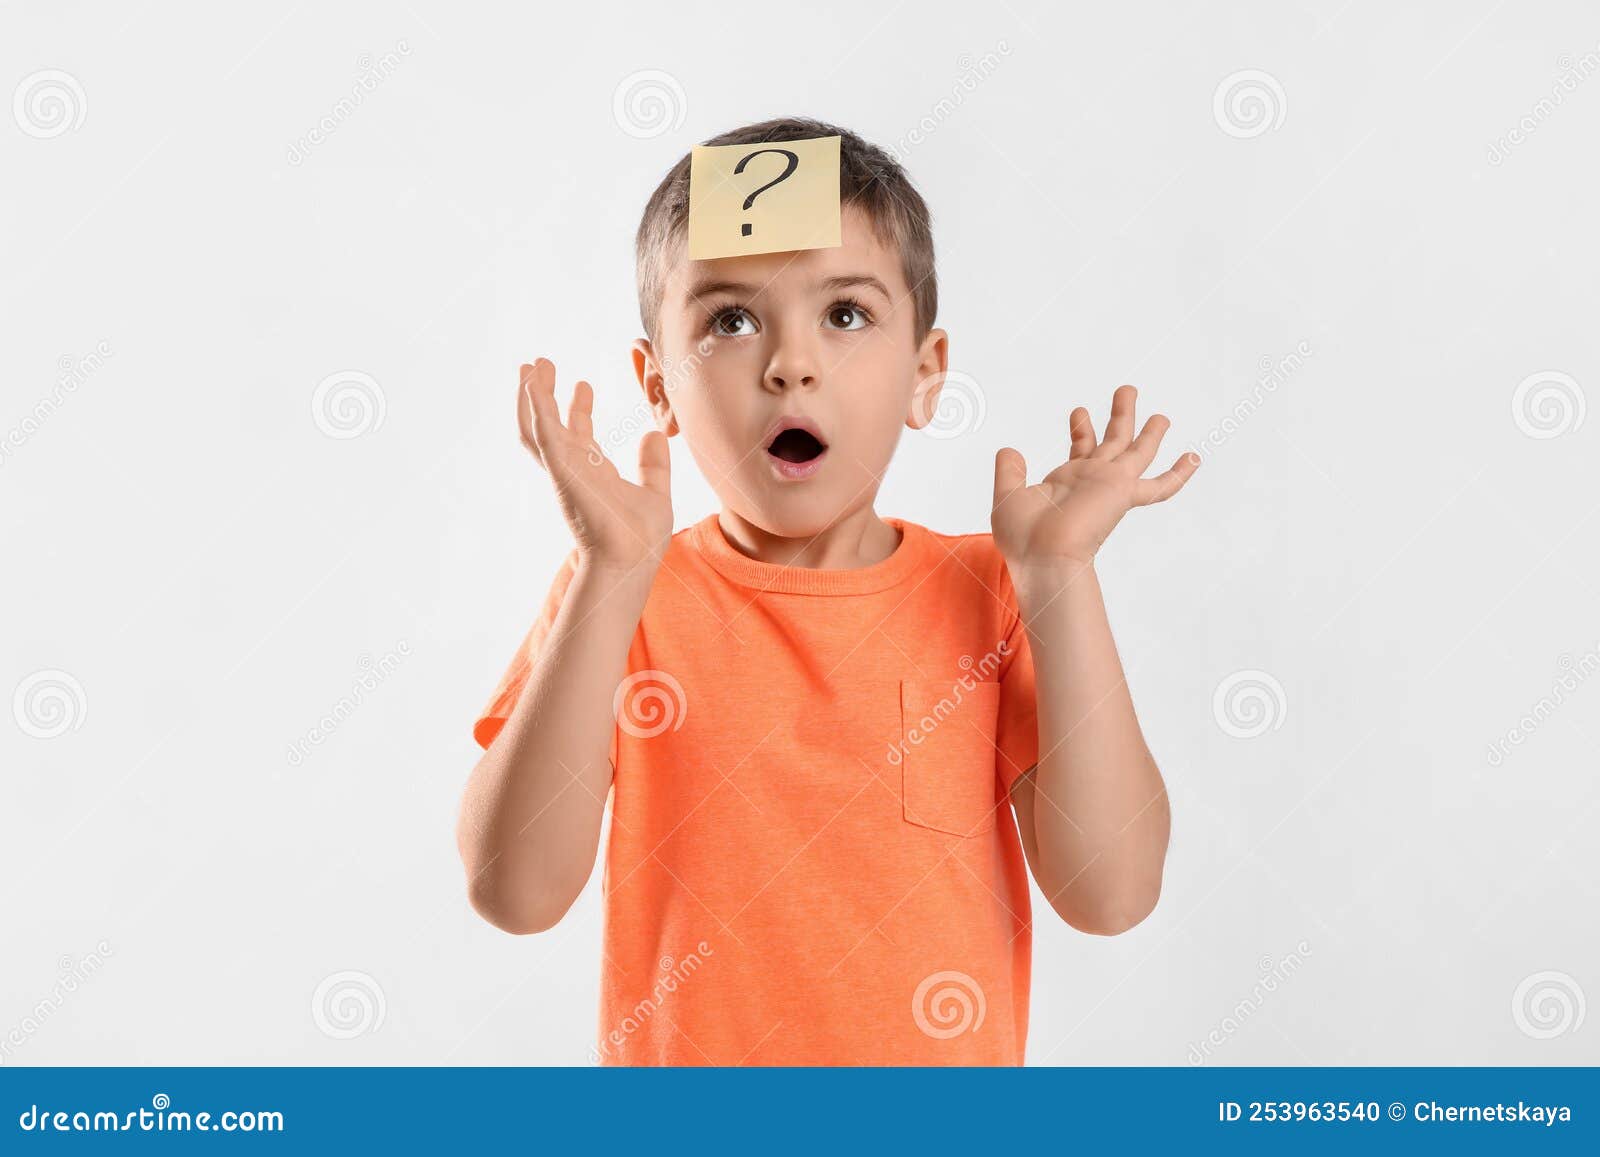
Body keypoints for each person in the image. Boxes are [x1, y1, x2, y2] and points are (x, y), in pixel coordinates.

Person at [455, 116, 1199, 1065]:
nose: (789, 363)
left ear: (925, 374)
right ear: (658, 387)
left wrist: (1060, 577)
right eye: (730, 320)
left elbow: (1115, 892)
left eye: (845, 314)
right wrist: (607, 573)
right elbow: (513, 892)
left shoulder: (996, 594)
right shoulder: (624, 592)